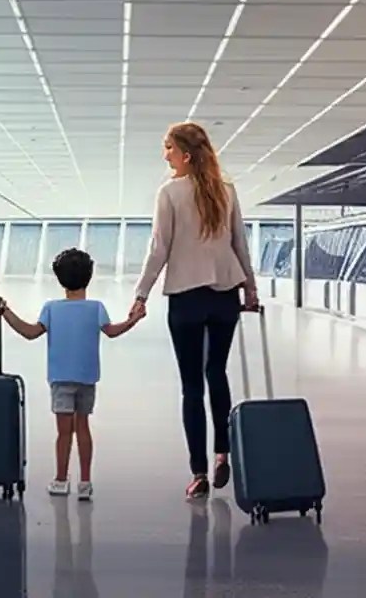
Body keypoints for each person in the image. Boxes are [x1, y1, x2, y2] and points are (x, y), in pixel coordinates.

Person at [131, 122, 258, 500]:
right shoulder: (226, 190)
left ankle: (199, 473)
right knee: (216, 372)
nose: (165, 155)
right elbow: (240, 243)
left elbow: (159, 248)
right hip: (225, 295)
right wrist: (250, 288)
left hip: (186, 297)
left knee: (191, 386)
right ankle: (223, 453)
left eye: (169, 148)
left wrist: (141, 295)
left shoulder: (169, 193)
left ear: (186, 154)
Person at [0, 248, 141, 501]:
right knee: (83, 427)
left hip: (61, 379)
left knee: (64, 432)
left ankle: (61, 480)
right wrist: (133, 320)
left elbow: (29, 332)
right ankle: (85, 482)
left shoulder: (51, 309)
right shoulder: (96, 308)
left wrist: (5, 311)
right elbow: (112, 331)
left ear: (60, 279)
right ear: (89, 276)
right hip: (87, 378)